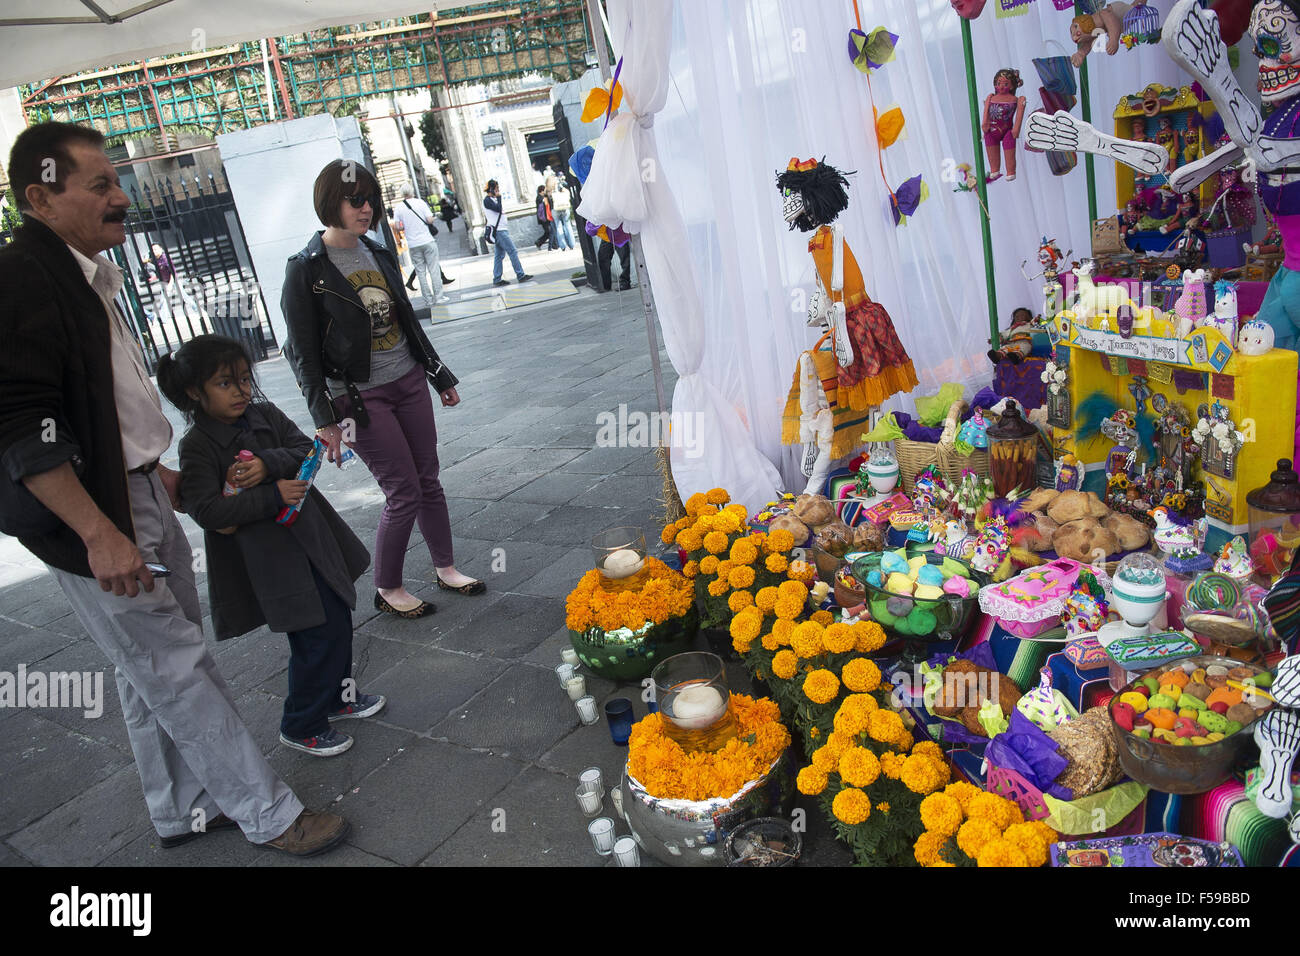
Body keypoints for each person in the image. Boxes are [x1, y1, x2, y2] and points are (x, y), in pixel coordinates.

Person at [0, 121, 347, 855]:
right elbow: (25, 426)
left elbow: (101, 404)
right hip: (95, 515)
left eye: (116, 179)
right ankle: (269, 813)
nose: (120, 197)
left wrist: (148, 466)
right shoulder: (23, 277)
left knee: (147, 668)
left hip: (136, 492)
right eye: (99, 185)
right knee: (176, 664)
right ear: (41, 195)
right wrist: (98, 532)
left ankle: (180, 805)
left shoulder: (85, 270)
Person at [157, 334, 380, 757]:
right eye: (225, 383)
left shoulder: (265, 414)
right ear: (194, 392)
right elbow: (205, 510)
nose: (241, 390)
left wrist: (267, 465)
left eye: (244, 379)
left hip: (312, 539)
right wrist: (272, 494)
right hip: (271, 561)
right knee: (314, 635)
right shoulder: (197, 446)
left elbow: (302, 448)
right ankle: (301, 722)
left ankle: (337, 697)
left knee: (336, 617)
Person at [281, 160, 486, 619]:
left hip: (408, 380)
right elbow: (304, 355)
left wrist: (439, 375)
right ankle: (388, 586)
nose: (366, 208)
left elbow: (407, 322)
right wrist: (325, 420)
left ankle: (446, 567)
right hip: (357, 398)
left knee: (429, 480)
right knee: (403, 490)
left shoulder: (378, 251)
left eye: (371, 199)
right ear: (330, 202)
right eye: (356, 200)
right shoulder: (305, 270)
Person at [391, 183, 450, 306]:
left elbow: (397, 227)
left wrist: (406, 226)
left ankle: (428, 300)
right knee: (434, 269)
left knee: (420, 272)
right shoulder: (420, 203)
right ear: (412, 191)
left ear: (402, 194)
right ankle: (439, 297)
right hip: (427, 240)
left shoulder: (399, 208)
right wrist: (432, 218)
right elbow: (429, 220)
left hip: (413, 244)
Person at [483, 179, 532, 287]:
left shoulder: (492, 199)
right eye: (496, 188)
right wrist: (499, 198)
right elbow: (498, 209)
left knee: (499, 255)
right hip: (499, 231)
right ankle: (520, 275)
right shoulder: (487, 200)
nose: (498, 191)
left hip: (501, 229)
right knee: (512, 251)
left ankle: (497, 278)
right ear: (492, 189)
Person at [551, 184, 576, 251]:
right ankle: (572, 244)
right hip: (564, 206)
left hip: (555, 208)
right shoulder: (560, 184)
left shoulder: (549, 188)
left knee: (558, 226)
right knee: (568, 225)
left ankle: (563, 246)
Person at [534, 186, 555, 250]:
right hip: (543, 218)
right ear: (541, 191)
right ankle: (539, 242)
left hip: (547, 217)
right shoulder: (539, 198)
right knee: (549, 232)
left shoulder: (544, 197)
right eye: (544, 190)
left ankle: (539, 242)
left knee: (548, 232)